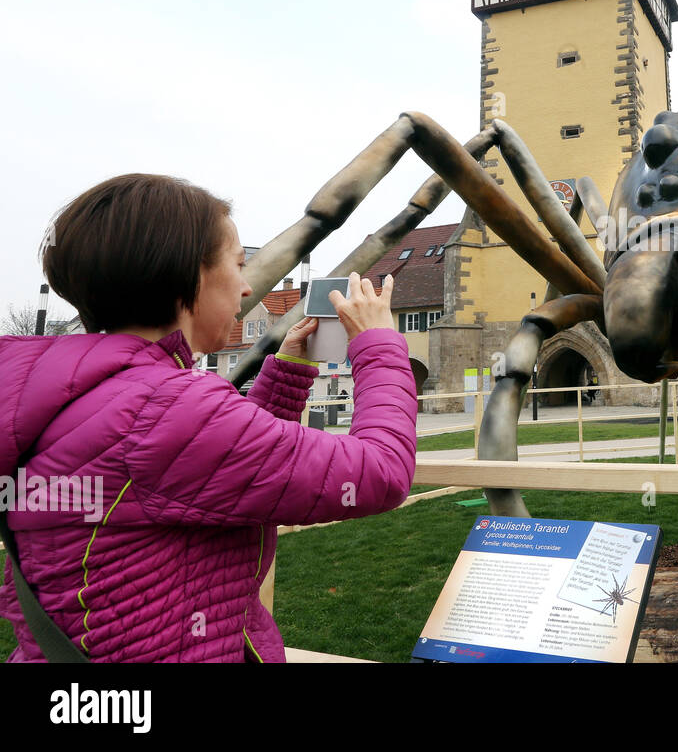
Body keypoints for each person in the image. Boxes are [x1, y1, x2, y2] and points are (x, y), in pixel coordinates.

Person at [0, 174, 417, 662]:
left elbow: (214, 469)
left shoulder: (82, 390)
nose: (245, 288)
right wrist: (380, 345)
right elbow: (381, 472)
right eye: (238, 265)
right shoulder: (163, 407)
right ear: (187, 274)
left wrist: (286, 374)